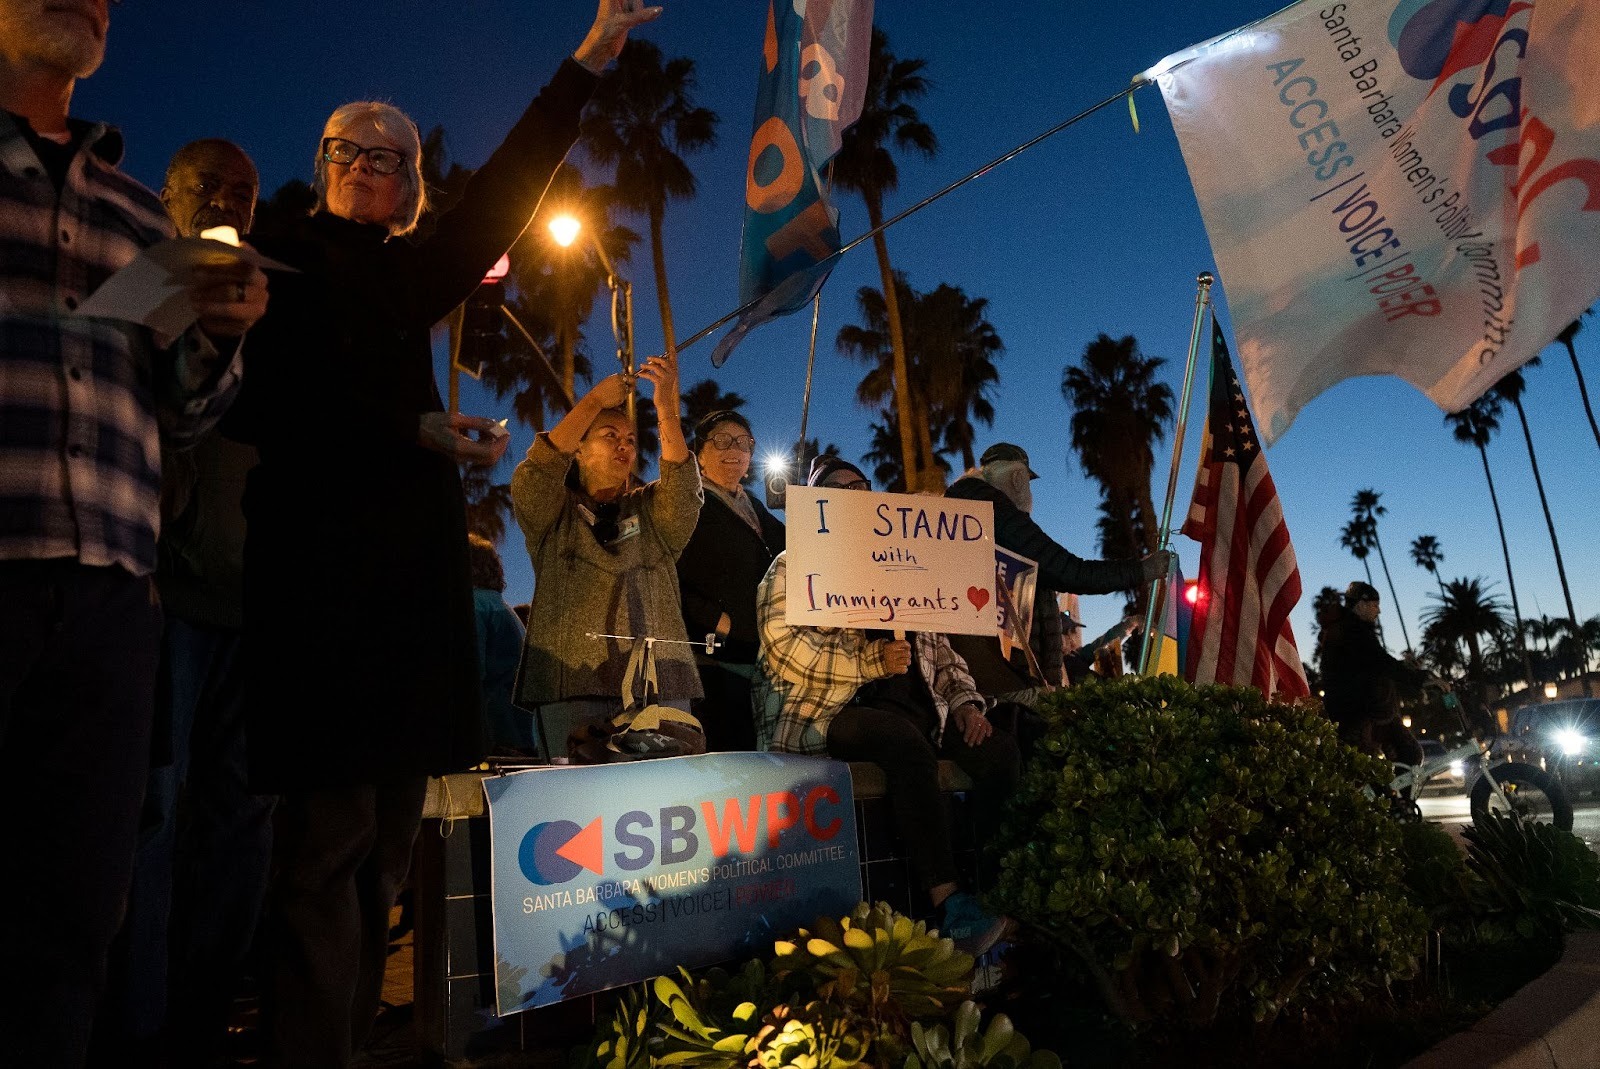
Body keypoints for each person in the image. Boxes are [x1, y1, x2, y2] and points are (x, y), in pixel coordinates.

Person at [227, 5, 660, 1066]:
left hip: (409, 603)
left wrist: (587, 58)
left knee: (385, 846)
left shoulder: (411, 269)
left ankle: (356, 1035)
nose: (376, 168)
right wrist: (406, 427)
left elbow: (503, 196)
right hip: (318, 594)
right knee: (323, 847)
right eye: (354, 152)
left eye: (397, 157)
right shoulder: (276, 260)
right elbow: (261, 405)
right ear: (321, 166)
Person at [0, 4, 268, 1063]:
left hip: (113, 593)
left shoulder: (126, 213)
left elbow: (185, 408)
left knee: (74, 910)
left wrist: (217, 340)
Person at [93, 139, 276, 1069]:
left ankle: (206, 1011)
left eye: (243, 189)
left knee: (238, 821)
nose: (227, 201)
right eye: (208, 186)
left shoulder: (261, 294)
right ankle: (141, 1018)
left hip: (255, 598)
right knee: (152, 815)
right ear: (168, 195)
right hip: (164, 587)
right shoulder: (134, 275)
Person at [754, 457, 1020, 956]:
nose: (857, 493)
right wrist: (871, 661)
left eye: (863, 485)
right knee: (903, 744)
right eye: (841, 489)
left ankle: (1002, 886)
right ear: (818, 505)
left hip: (927, 711)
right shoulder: (793, 565)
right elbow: (785, 650)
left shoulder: (905, 566)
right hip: (831, 711)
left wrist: (964, 703)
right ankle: (950, 901)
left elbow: (943, 652)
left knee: (998, 750)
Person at [511, 356, 702, 758]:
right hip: (571, 686)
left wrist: (666, 407)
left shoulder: (651, 510)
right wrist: (594, 401)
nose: (623, 445)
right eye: (608, 435)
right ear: (578, 449)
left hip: (661, 682)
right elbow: (537, 473)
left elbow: (685, 495)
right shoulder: (553, 513)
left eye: (631, 440)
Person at [945, 443, 1172, 690]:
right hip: (1012, 685)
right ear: (1018, 478)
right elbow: (1070, 571)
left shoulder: (972, 512)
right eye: (1028, 481)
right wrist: (1142, 570)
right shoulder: (993, 511)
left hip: (1000, 680)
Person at [676, 409, 786, 751]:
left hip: (763, 656)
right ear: (700, 453)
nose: (734, 449)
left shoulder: (753, 505)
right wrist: (713, 620)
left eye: (743, 442)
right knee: (731, 755)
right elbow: (669, 570)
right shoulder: (687, 503)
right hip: (717, 660)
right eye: (722, 440)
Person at [1318, 581, 1427, 765]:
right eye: (1375, 605)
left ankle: (1394, 792)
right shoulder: (1353, 632)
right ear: (1361, 605)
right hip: (1358, 714)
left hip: (1375, 712)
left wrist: (1407, 669)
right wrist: (1421, 678)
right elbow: (1380, 663)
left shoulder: (1354, 630)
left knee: (1409, 755)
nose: (1379, 611)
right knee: (1369, 766)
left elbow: (1374, 664)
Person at [469, 533, 532, 755]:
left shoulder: (475, 605)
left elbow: (472, 671)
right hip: (518, 724)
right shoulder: (497, 604)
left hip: (497, 728)